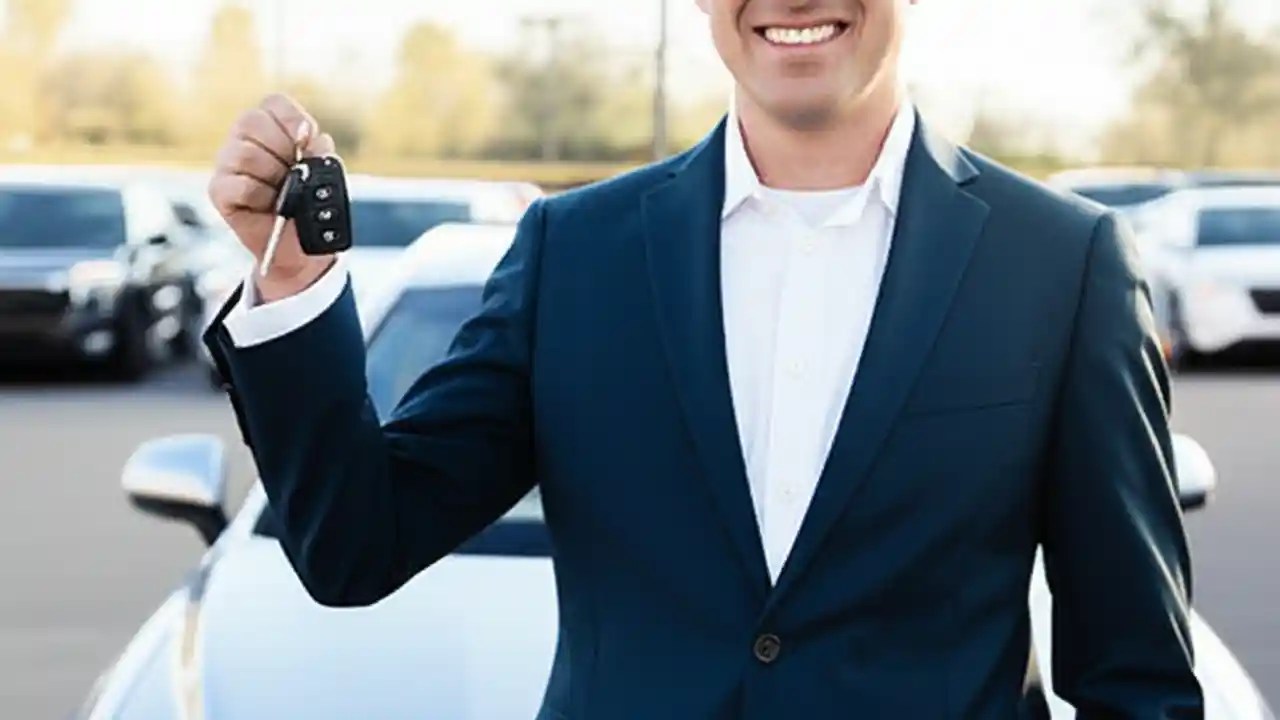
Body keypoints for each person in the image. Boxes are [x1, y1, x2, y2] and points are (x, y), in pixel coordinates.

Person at [204, 0, 1203, 717]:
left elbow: (1137, 678)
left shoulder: (1060, 264)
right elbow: (354, 547)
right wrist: (294, 289)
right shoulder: (576, 253)